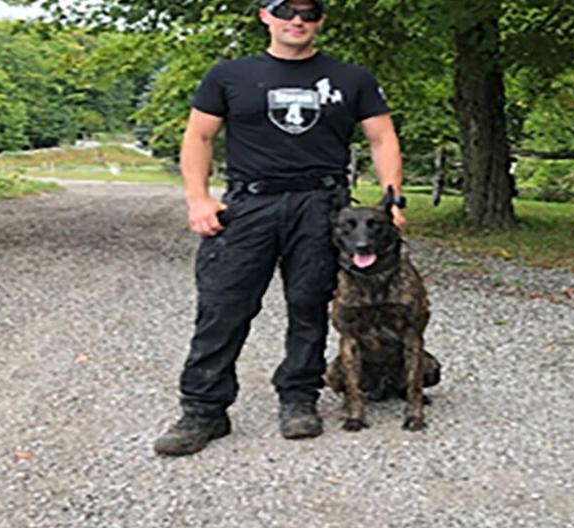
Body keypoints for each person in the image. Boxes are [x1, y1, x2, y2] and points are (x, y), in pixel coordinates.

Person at [155, 0, 407, 456]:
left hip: (322, 206)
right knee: (222, 306)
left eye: (309, 12)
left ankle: (298, 398)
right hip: (249, 204)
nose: (298, 20)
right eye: (285, 10)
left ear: (320, 21)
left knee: (309, 306)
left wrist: (393, 200)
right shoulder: (228, 75)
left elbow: (382, 137)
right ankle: (203, 411)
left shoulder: (353, 78)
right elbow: (199, 136)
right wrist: (198, 198)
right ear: (265, 16)